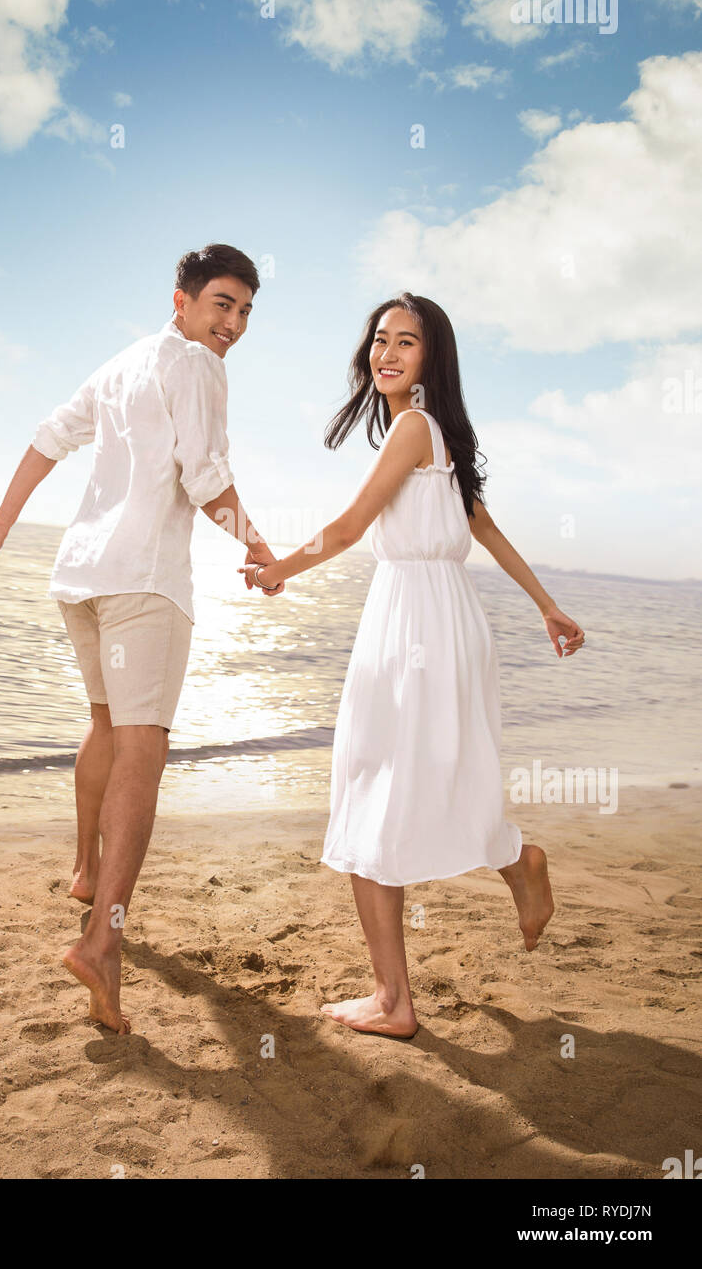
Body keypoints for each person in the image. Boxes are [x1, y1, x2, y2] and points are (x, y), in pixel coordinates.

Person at [239, 293, 584, 1040]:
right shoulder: (439, 435)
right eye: (380, 340)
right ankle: (517, 861)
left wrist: (280, 572)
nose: (387, 353)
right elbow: (482, 525)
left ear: (432, 358)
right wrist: (546, 605)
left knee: (371, 792)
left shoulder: (413, 429)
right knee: (433, 775)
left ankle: (395, 1001)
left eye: (407, 343)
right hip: (446, 620)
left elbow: (348, 527)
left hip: (412, 623)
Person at [0, 243, 283, 1035]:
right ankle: (102, 940)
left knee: (106, 727)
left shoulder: (121, 364)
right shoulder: (197, 366)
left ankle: (84, 872)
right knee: (144, 747)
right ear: (180, 300)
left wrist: (3, 520)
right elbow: (206, 475)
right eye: (221, 304)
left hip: (81, 575)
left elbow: (50, 434)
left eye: (245, 311)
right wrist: (259, 546)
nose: (234, 324)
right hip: (142, 580)